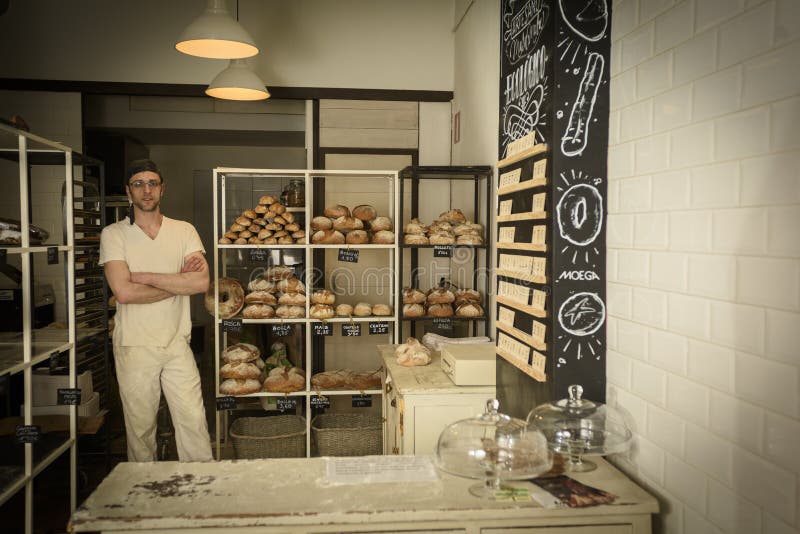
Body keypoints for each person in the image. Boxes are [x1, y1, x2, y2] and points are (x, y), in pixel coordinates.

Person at [99, 159, 212, 462]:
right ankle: (144, 496)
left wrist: (145, 277)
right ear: (128, 191)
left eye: (152, 183)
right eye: (139, 184)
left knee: (194, 423)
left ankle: (205, 493)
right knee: (140, 431)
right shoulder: (114, 235)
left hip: (177, 343)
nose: (146, 190)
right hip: (135, 346)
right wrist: (178, 281)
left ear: (163, 189)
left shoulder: (183, 230)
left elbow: (201, 282)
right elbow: (123, 292)